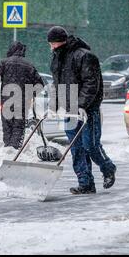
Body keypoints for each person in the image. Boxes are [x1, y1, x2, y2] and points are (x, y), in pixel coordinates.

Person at [47, 26, 117, 195]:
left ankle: (108, 168)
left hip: (88, 110)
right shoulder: (57, 58)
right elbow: (58, 85)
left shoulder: (85, 56)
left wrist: (81, 105)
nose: (51, 47)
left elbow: (91, 84)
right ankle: (85, 183)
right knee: (76, 148)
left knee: (90, 146)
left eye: (53, 43)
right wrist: (53, 106)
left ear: (60, 42)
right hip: (70, 111)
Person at [0, 41, 44, 149]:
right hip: (22, 102)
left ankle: (8, 148)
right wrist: (31, 95)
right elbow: (40, 84)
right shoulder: (29, 65)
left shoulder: (4, 62)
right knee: (18, 127)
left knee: (7, 126)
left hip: (6, 100)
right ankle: (14, 150)